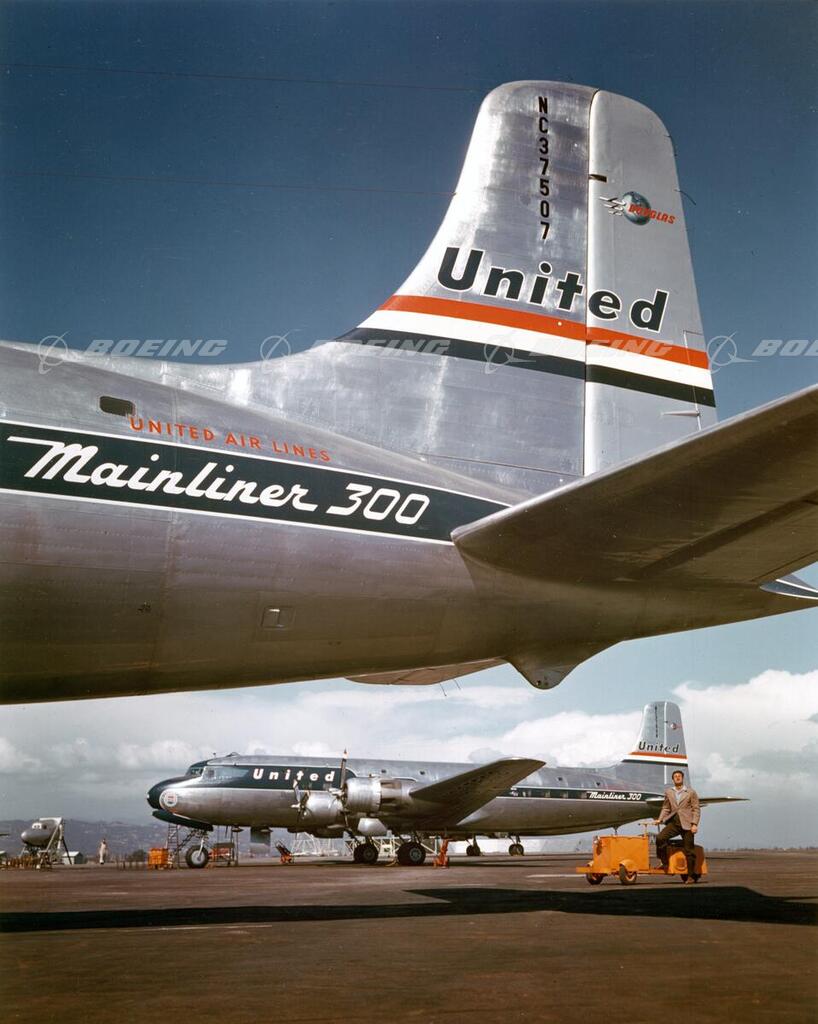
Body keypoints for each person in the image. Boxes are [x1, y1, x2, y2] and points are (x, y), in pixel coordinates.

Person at [654, 769, 700, 882]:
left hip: (687, 824)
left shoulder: (690, 792)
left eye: (679, 776)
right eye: (675, 776)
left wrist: (694, 824)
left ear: (682, 778)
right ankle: (664, 862)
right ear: (673, 779)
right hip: (674, 822)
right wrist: (660, 819)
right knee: (660, 838)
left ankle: (690, 876)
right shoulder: (669, 792)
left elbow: (696, 809)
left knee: (689, 850)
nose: (677, 777)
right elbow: (666, 807)